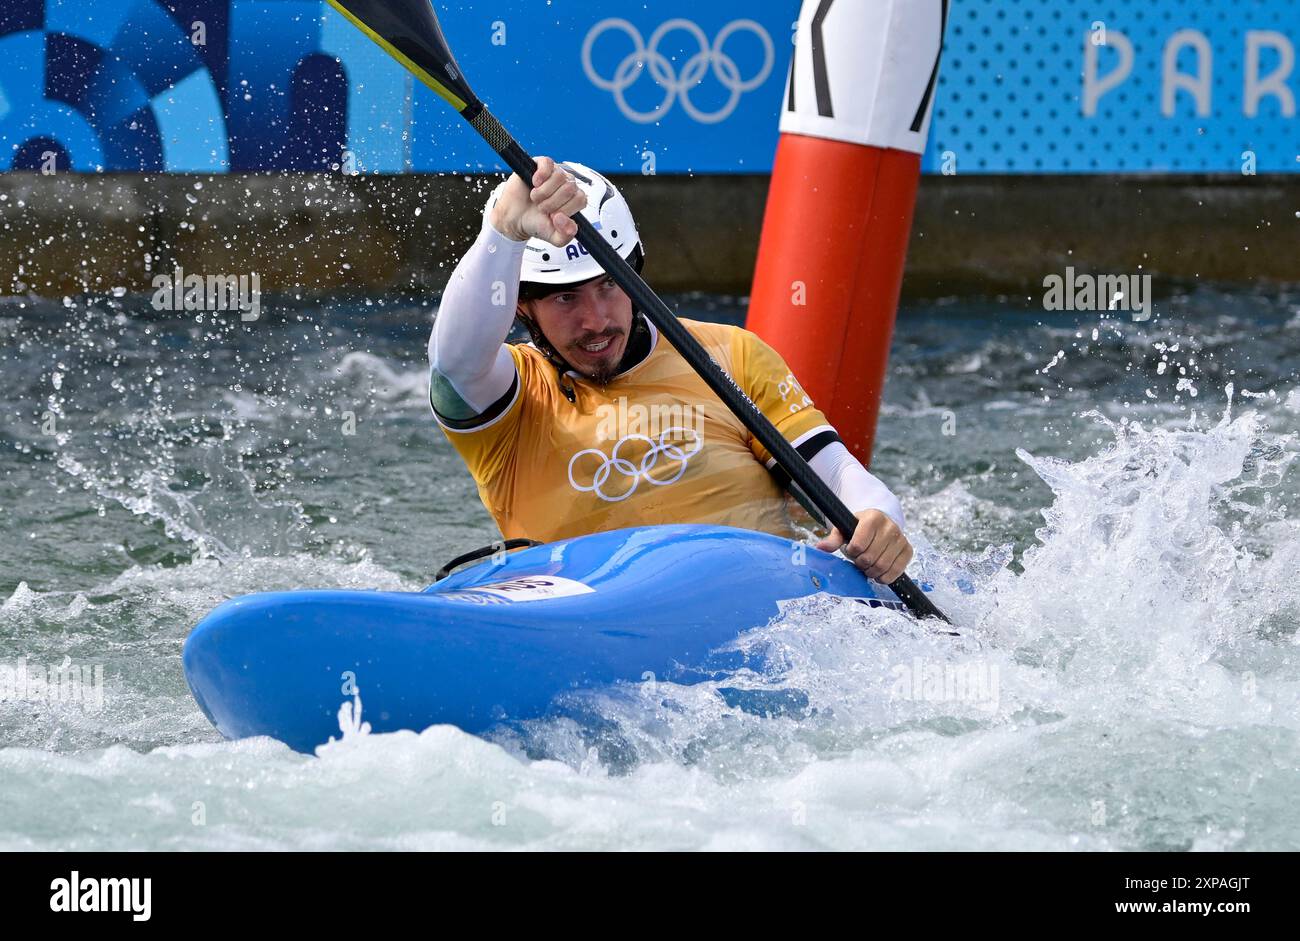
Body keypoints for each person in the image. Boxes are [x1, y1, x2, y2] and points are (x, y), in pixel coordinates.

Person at [428, 158, 913, 584]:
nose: (595, 320)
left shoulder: (730, 356)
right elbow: (454, 366)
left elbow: (840, 476)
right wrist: (503, 231)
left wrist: (877, 518)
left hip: (760, 606)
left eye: (609, 285)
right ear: (522, 308)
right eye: (565, 298)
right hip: (591, 620)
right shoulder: (510, 397)